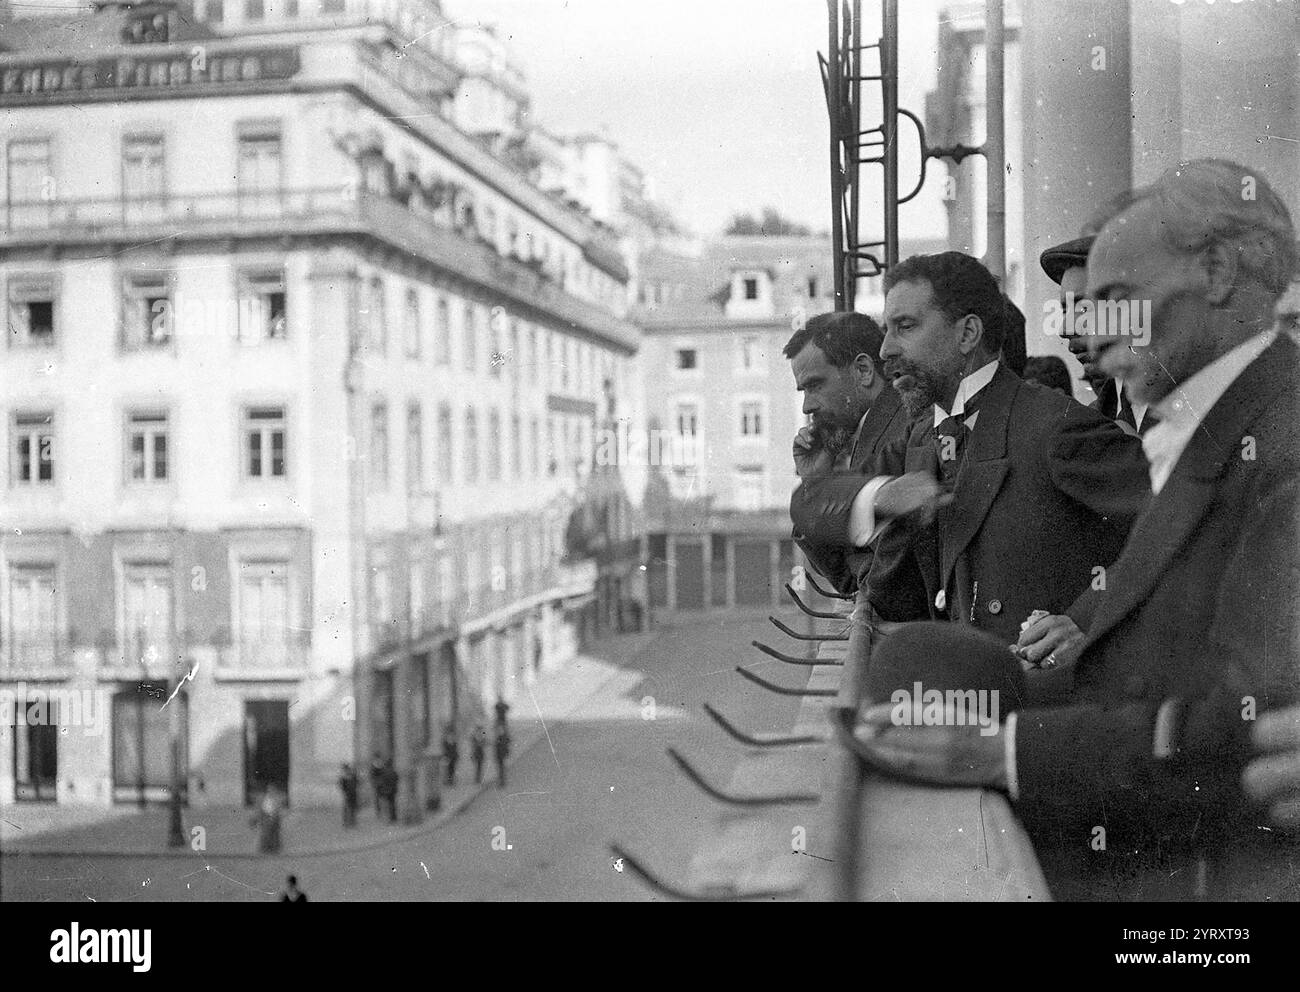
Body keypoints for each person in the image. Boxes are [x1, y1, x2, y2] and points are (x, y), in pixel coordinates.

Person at [851, 159, 1300, 900]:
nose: (1087, 329)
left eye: (1116, 300)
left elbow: (1249, 720)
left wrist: (1006, 751)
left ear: (1217, 273)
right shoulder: (1222, 428)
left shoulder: (1278, 440)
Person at [791, 251, 1152, 655]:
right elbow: (811, 506)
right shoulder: (920, 438)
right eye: (886, 330)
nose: (885, 350)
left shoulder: (1054, 425)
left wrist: (1085, 621)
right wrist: (879, 496)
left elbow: (1176, 522)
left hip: (1043, 700)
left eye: (904, 327)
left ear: (967, 335)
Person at [787, 311, 912, 599]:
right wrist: (817, 482)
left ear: (864, 371)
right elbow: (853, 576)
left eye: (815, 385)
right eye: (803, 391)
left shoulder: (900, 433)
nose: (807, 407)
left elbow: (878, 582)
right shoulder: (872, 430)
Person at [337, 762, 358, 828]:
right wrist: (344, 791)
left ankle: (351, 821)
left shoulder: (351, 775)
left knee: (351, 808)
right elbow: (341, 785)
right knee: (347, 808)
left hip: (352, 793)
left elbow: (357, 782)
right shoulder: (344, 777)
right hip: (348, 793)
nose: (346, 770)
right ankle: (347, 822)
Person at [379, 758, 398, 823]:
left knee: (388, 804)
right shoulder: (393, 771)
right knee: (393, 803)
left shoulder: (384, 772)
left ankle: (390, 818)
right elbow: (397, 779)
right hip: (393, 790)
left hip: (387, 790)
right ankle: (394, 817)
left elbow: (382, 782)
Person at [368, 750, 385, 817]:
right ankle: (381, 811)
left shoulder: (374, 765)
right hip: (381, 782)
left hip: (377, 783)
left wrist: (373, 781)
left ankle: (379, 812)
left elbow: (371, 775)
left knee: (377, 798)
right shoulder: (381, 764)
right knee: (381, 797)